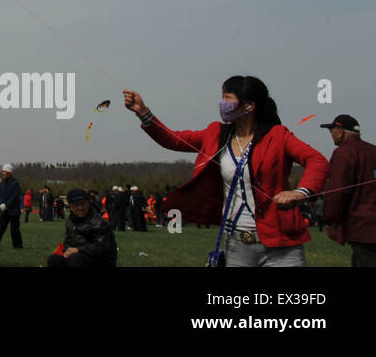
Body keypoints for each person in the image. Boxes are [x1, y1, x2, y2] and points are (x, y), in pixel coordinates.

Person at [124, 76, 328, 267]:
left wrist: (301, 192)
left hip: (281, 245)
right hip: (236, 244)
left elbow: (316, 160)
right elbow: (175, 139)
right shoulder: (216, 133)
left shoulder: (277, 135)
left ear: (249, 106)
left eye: (227, 98)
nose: (222, 103)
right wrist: (143, 113)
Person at [320, 115, 376, 266]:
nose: (331, 134)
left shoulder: (344, 153)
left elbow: (336, 191)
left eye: (331, 130)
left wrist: (329, 219)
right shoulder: (373, 151)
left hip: (362, 229)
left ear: (340, 131)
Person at [47, 188, 117, 268]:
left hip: (101, 259)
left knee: (74, 259)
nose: (80, 208)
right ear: (70, 207)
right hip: (79, 256)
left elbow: (101, 247)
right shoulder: (70, 221)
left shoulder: (100, 222)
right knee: (54, 259)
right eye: (76, 205)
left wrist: (78, 249)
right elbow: (68, 242)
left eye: (83, 204)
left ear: (88, 204)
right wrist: (67, 251)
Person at [0, 164, 23, 249]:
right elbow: (0, 195)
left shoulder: (15, 183)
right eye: (3, 171)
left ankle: (18, 245)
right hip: (5, 210)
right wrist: (1, 203)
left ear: (9, 173)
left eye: (4, 171)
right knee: (0, 227)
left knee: (14, 229)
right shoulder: (1, 183)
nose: (3, 173)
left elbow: (14, 196)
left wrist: (6, 204)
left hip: (14, 211)